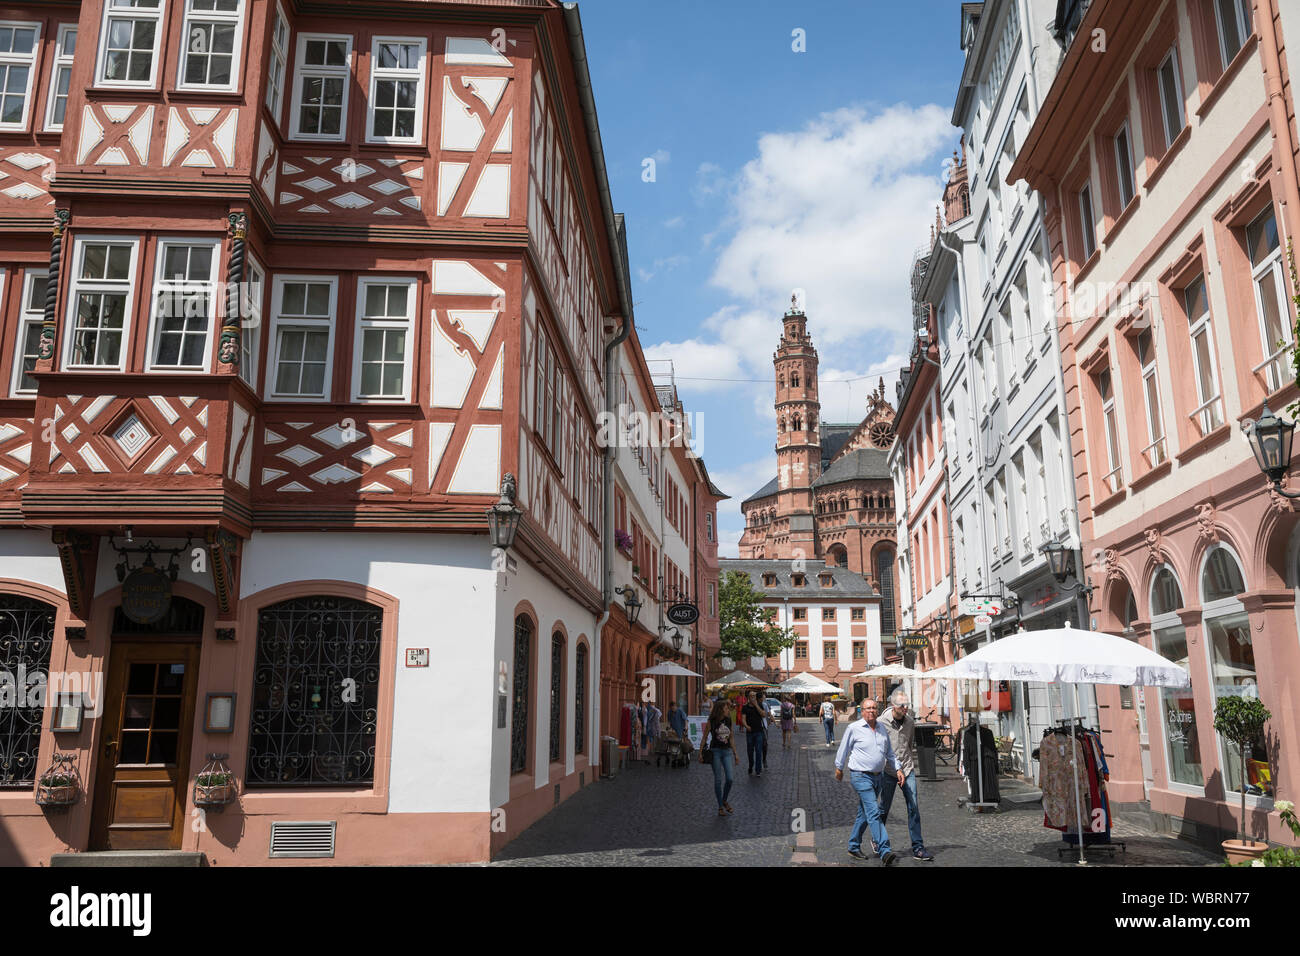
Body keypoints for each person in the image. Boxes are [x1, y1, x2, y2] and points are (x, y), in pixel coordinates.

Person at [835, 698, 904, 865]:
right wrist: (839, 767)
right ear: (861, 710)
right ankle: (884, 849)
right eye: (868, 708)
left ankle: (853, 845)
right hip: (860, 775)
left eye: (874, 708)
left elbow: (889, 753)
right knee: (873, 811)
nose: (871, 711)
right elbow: (843, 748)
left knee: (864, 813)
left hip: (878, 777)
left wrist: (898, 768)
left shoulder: (881, 728)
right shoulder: (854, 728)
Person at [878, 691, 933, 861]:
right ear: (894, 706)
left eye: (907, 704)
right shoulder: (881, 722)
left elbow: (909, 744)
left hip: (907, 769)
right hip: (888, 771)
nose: (906, 708)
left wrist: (905, 764)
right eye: (902, 705)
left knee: (914, 807)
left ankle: (918, 847)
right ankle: (877, 838)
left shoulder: (910, 722)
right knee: (884, 809)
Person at [703, 699, 739, 815]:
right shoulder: (711, 721)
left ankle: (724, 800)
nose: (728, 710)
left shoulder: (728, 720)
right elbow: (704, 737)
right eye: (726, 708)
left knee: (730, 778)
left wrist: (735, 753)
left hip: (727, 751)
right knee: (718, 780)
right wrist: (700, 753)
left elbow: (732, 737)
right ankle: (720, 806)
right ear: (720, 709)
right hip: (715, 752)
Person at [741, 691, 767, 776]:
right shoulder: (745, 707)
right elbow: (743, 719)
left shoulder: (759, 705)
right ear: (748, 697)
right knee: (750, 751)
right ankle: (751, 765)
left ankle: (758, 770)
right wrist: (746, 726)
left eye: (754, 696)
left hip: (759, 731)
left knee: (759, 751)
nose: (752, 697)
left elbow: (763, 715)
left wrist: (756, 705)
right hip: (750, 732)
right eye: (751, 696)